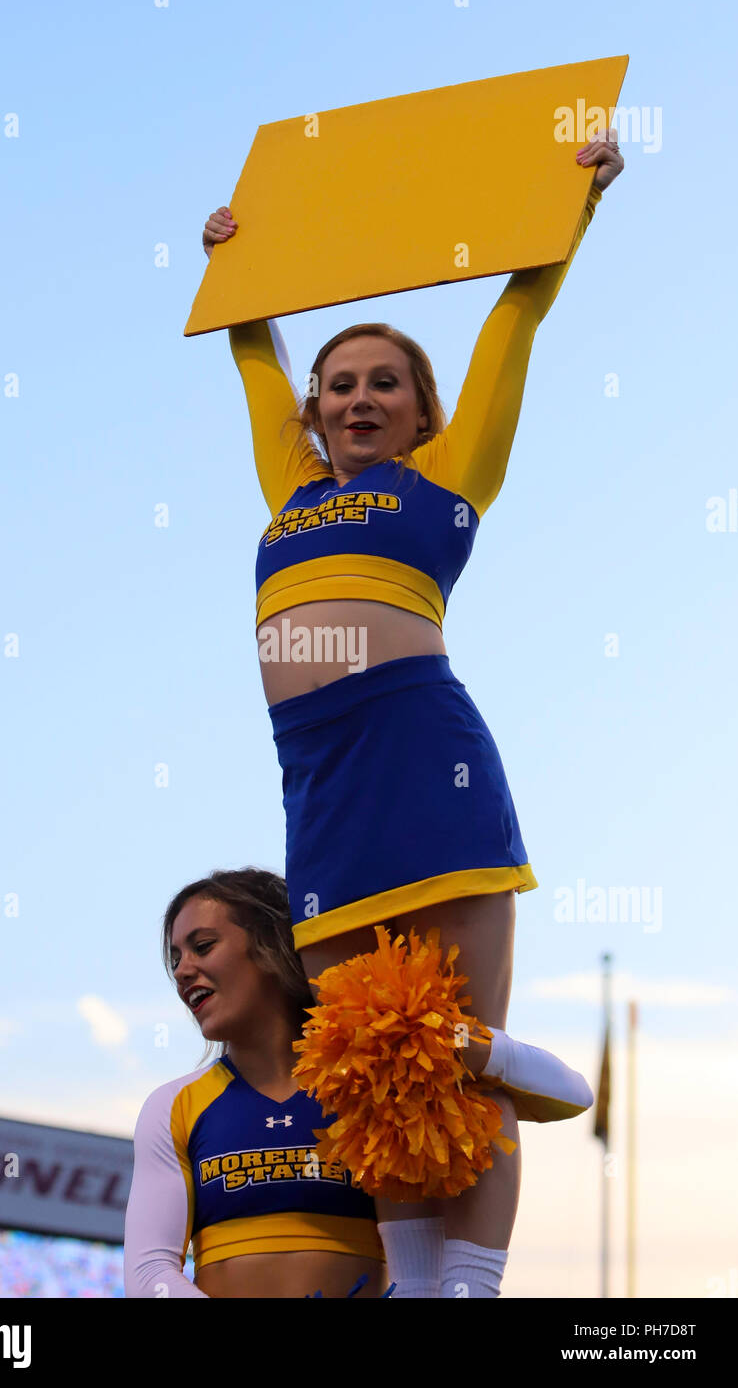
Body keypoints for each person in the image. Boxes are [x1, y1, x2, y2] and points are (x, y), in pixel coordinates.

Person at [198, 129, 625, 1299]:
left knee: (445, 1071)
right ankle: (417, 1275)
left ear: (420, 407)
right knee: (362, 1069)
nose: (358, 397)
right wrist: (238, 277)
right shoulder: (289, 494)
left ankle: (471, 1273)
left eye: (385, 380)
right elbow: (252, 363)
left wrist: (568, 204)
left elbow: (512, 322)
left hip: (420, 753)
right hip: (318, 782)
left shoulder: (444, 483)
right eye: (338, 384)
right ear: (317, 410)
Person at [123, 867, 593, 1298]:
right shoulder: (174, 1106)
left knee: (480, 1102)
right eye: (176, 957)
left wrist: (474, 1049)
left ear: (270, 946)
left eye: (203, 946)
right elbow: (148, 1277)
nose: (183, 971)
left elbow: (573, 1096)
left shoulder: (369, 1078)